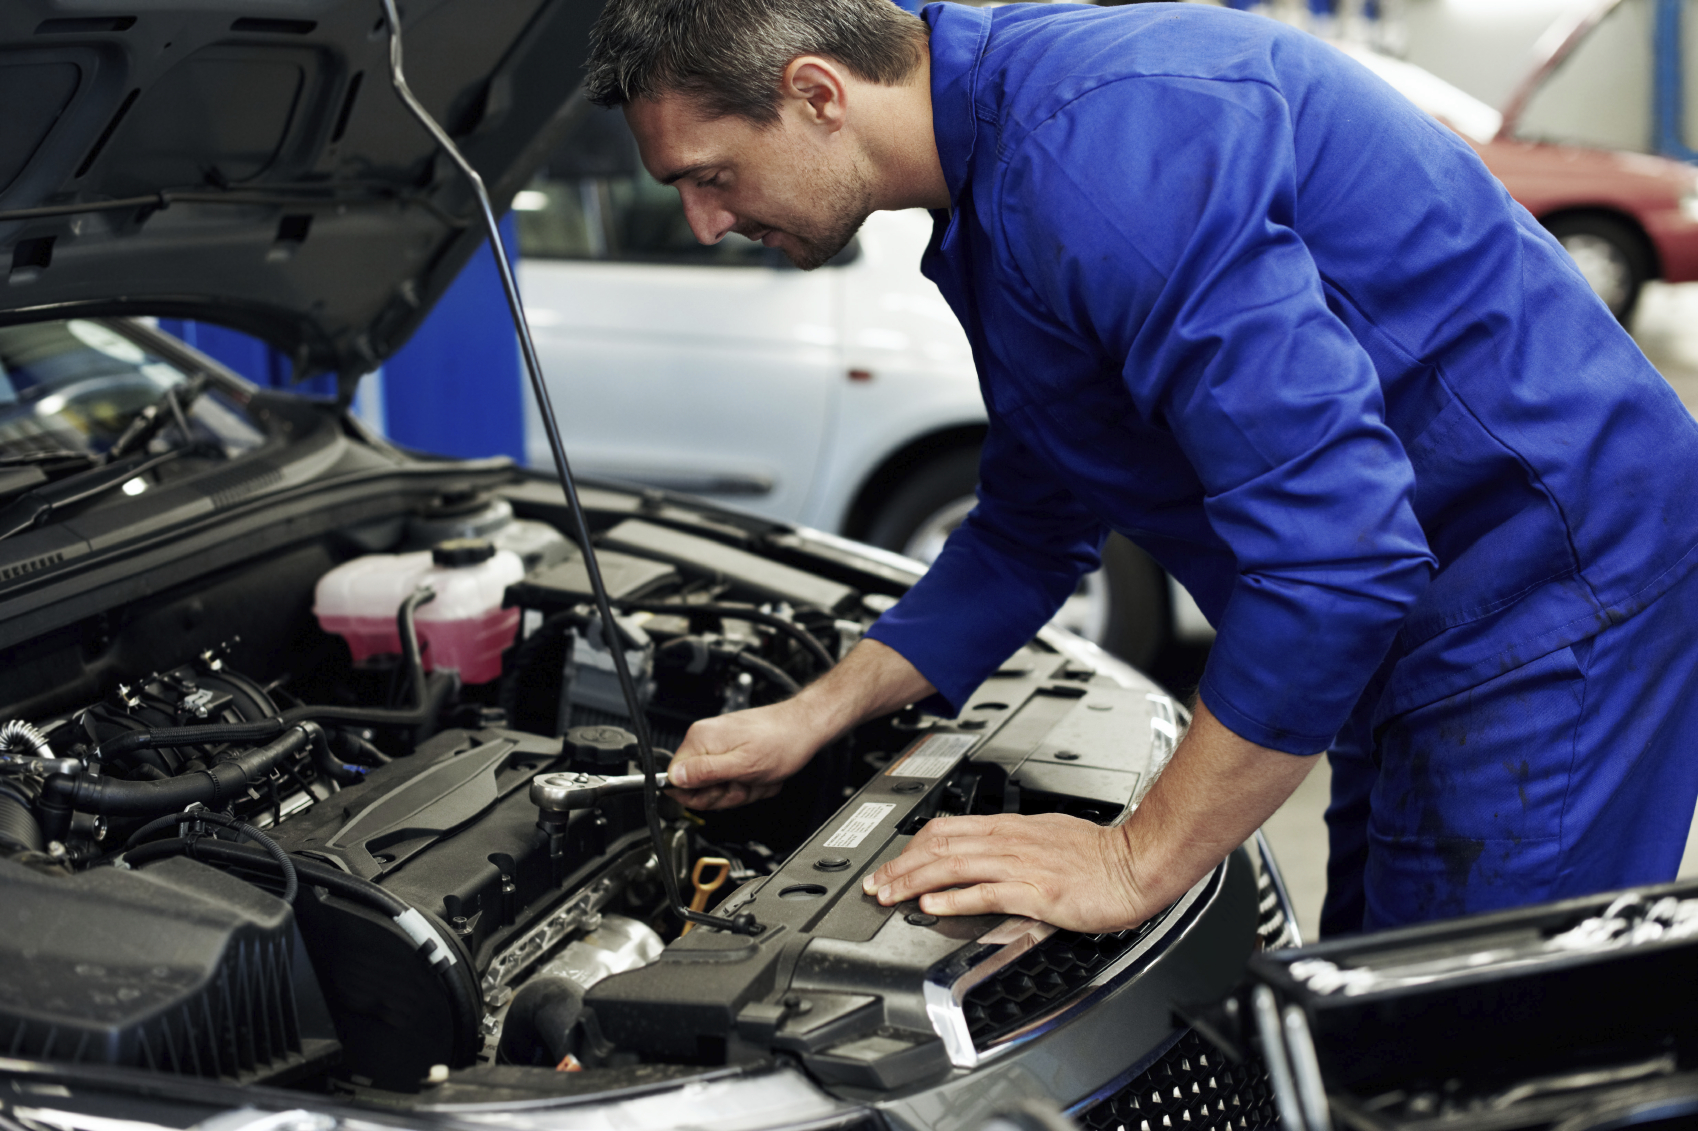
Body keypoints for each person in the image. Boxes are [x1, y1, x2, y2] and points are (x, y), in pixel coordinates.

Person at [581, 0, 1698, 936]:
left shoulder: (1096, 157)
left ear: (818, 94)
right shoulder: (995, 180)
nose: (703, 222)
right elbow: (1025, 533)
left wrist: (1132, 860)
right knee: (1367, 998)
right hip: (1423, 607)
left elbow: (1339, 560)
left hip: (1546, 585)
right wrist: (812, 716)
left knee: (1474, 1048)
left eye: (710, 175)